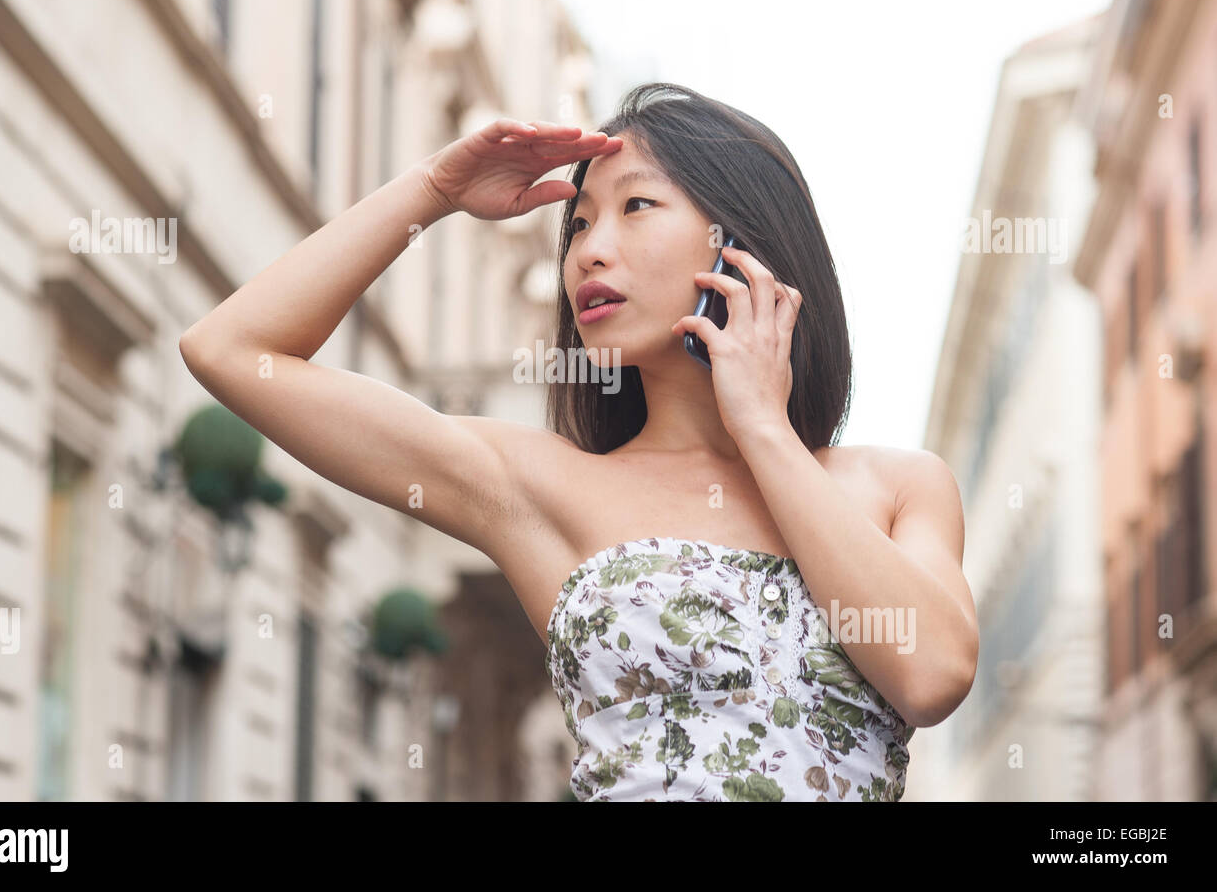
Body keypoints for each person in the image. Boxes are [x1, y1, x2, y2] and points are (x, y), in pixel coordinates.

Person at [180, 82, 978, 801]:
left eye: (636, 206)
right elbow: (234, 351)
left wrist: (763, 428)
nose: (590, 248)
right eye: (580, 221)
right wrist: (432, 191)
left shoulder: (899, 487)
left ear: (739, 242)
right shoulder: (535, 486)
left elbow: (932, 673)